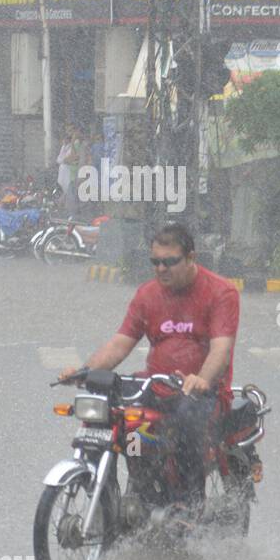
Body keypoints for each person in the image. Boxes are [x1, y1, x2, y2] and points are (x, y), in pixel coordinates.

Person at [59, 223, 240, 523]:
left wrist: (202, 380)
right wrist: (84, 372)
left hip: (201, 393)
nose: (161, 268)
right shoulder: (147, 295)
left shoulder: (221, 292)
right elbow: (119, 345)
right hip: (155, 387)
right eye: (155, 261)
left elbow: (221, 350)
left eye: (169, 262)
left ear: (191, 258)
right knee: (122, 420)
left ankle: (187, 503)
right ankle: (140, 488)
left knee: (186, 416)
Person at [56, 125, 83, 219]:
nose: (69, 133)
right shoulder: (68, 145)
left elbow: (71, 158)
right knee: (69, 194)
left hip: (74, 174)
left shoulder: (76, 143)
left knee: (71, 196)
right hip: (70, 174)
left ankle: (73, 217)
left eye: (71, 130)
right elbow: (60, 159)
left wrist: (66, 160)